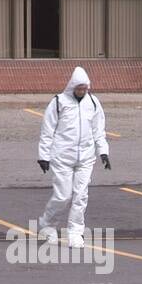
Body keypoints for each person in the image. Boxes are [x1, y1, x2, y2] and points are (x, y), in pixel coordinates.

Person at [36, 66, 111, 249]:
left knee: (80, 195)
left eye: (85, 88)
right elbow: (47, 130)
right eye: (79, 88)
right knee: (63, 195)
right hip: (62, 157)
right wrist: (43, 155)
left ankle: (75, 232)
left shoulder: (93, 103)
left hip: (86, 157)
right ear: (72, 86)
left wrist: (103, 152)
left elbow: (98, 130)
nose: (82, 92)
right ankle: (47, 224)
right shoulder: (59, 102)